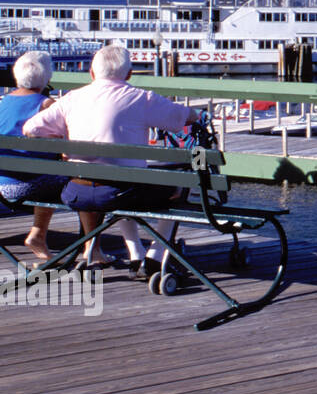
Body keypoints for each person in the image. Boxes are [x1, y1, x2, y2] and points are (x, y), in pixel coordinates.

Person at [23, 44, 199, 271]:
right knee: (180, 185)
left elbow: (31, 129)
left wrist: (64, 136)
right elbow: (187, 117)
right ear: (129, 74)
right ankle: (155, 256)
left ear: (92, 73)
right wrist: (197, 115)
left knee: (123, 179)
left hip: (77, 192)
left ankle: (136, 253)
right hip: (122, 193)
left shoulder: (71, 99)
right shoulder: (141, 98)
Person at [0, 51, 63, 261]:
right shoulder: (47, 106)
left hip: (0, 183)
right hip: (27, 187)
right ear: (47, 77)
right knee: (78, 179)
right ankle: (40, 234)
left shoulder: (3, 102)